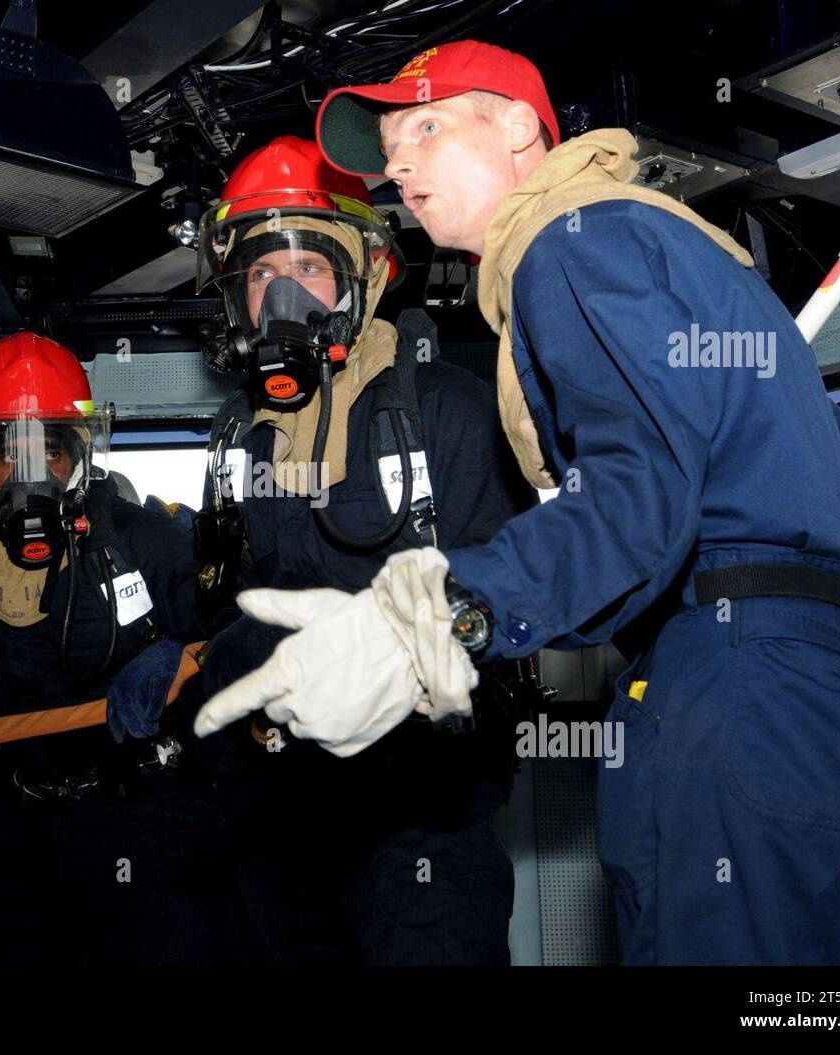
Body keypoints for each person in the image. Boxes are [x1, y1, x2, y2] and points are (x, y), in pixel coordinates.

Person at [195, 40, 840, 965]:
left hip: (746, 697)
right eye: (389, 148)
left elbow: (637, 501)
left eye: (424, 125)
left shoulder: (567, 243)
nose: (400, 165)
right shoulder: (655, 236)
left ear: (515, 127)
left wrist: (437, 618)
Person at [190, 135, 538, 964]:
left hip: (424, 825)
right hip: (284, 829)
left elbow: (515, 600)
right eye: (261, 274)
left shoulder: (451, 412)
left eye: (307, 268)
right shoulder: (241, 441)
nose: (282, 297)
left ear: (365, 278)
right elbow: (230, 605)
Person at [0, 331, 231, 966]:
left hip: (142, 813)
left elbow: (231, 623)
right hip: (20, 816)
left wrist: (187, 656)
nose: (34, 472)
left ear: (79, 458)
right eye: (11, 453)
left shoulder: (141, 538)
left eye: (51, 451)